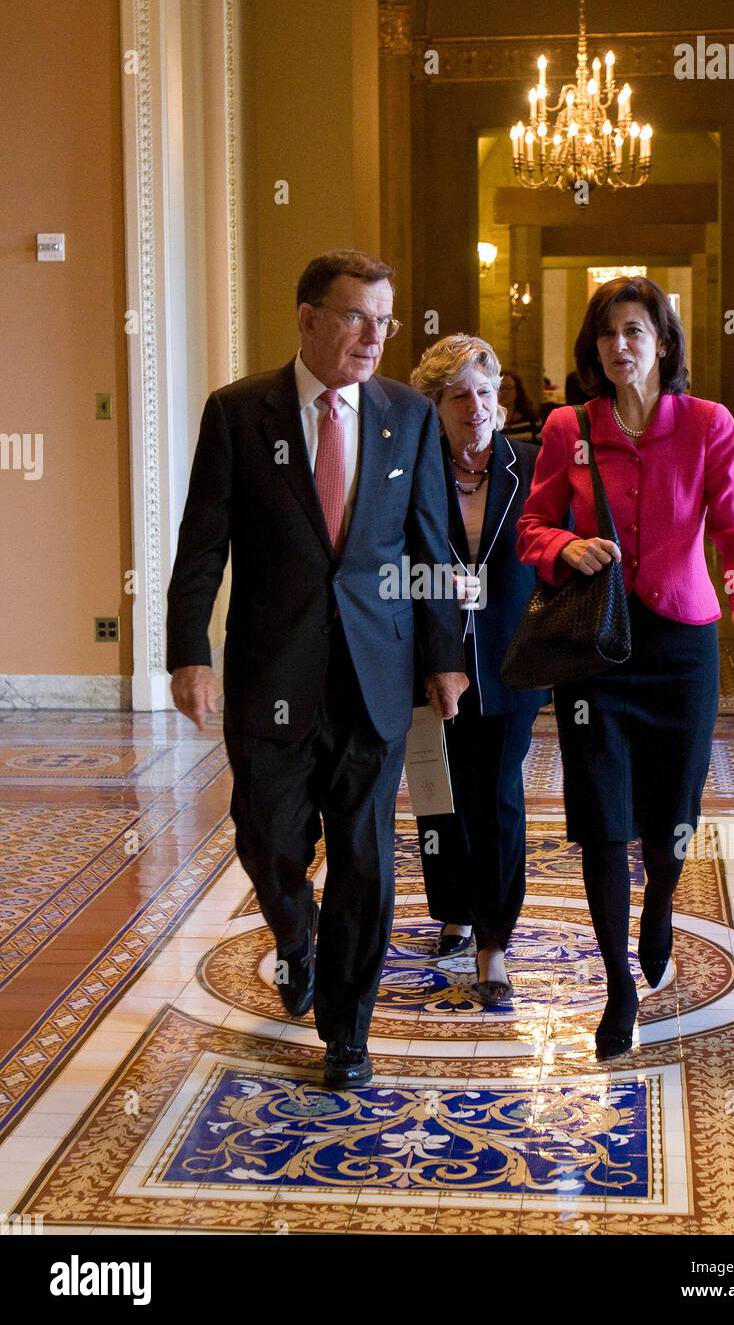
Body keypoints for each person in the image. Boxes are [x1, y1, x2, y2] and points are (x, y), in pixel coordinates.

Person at [167, 250, 468, 1089]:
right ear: (307, 318)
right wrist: (190, 652)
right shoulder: (237, 413)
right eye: (355, 317)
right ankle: (293, 938)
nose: (375, 337)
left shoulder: (407, 416)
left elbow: (431, 544)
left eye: (386, 320)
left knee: (366, 861)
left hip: (376, 674)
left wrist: (445, 657)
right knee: (270, 842)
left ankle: (348, 1032)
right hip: (271, 672)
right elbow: (203, 546)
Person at [517, 275, 734, 1060]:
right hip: (598, 650)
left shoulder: (706, 424)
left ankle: (660, 899)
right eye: (606, 335)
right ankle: (618, 987)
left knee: (668, 828)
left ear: (663, 341)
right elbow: (531, 524)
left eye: (634, 331)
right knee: (601, 823)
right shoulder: (570, 427)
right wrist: (564, 546)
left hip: (680, 650)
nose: (619, 346)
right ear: (594, 350)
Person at [410, 336, 549, 1004]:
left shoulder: (533, 465)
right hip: (428, 658)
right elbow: (390, 560)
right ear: (435, 406)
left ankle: (495, 940)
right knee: (441, 795)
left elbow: (558, 553)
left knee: (498, 794)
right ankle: (456, 909)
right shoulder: (412, 470)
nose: (477, 406)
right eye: (460, 395)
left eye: (486, 392)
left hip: (508, 656)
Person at [498, 370, 539, 440]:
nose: (504, 392)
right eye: (500, 388)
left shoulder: (530, 419)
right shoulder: (488, 420)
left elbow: (540, 447)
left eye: (508, 387)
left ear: (517, 392)